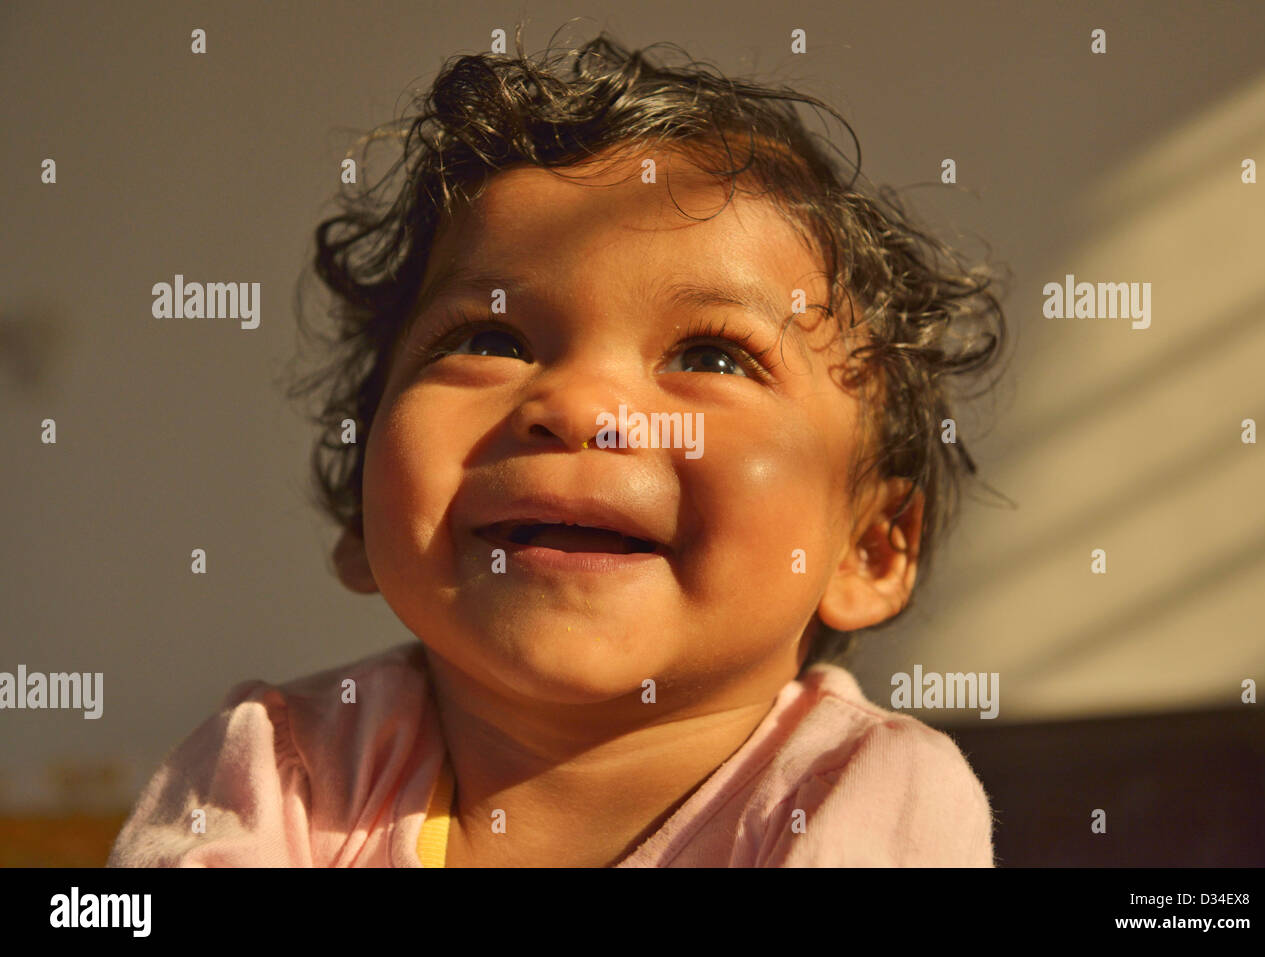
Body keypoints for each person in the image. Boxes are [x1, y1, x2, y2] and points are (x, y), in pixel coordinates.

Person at [108, 29, 1007, 868]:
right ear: (359, 513)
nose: (576, 405)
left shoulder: (867, 790)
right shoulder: (281, 767)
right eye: (488, 342)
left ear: (869, 546)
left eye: (711, 355)